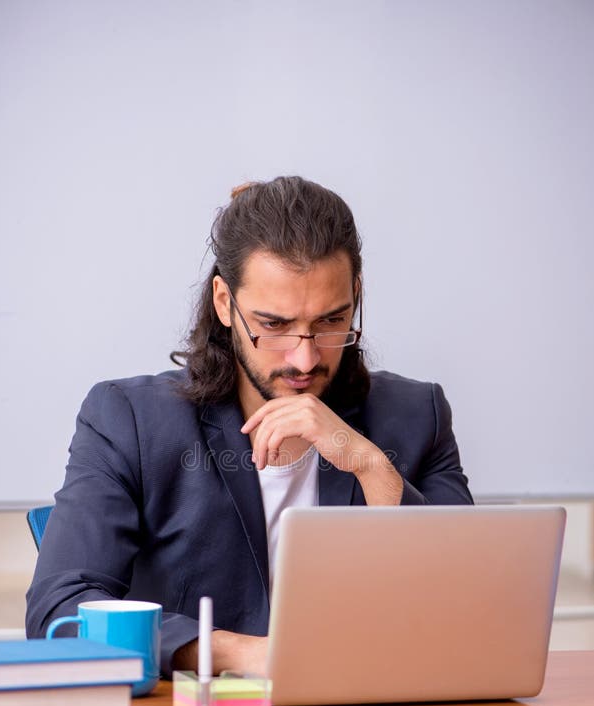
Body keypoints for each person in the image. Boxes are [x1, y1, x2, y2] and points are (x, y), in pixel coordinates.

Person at [26, 176, 473, 677]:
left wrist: (372, 468)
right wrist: (241, 654)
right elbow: (58, 611)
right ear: (224, 303)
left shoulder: (418, 414)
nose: (305, 358)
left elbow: (470, 606)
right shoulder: (129, 419)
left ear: (356, 295)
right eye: (274, 326)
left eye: (331, 321)